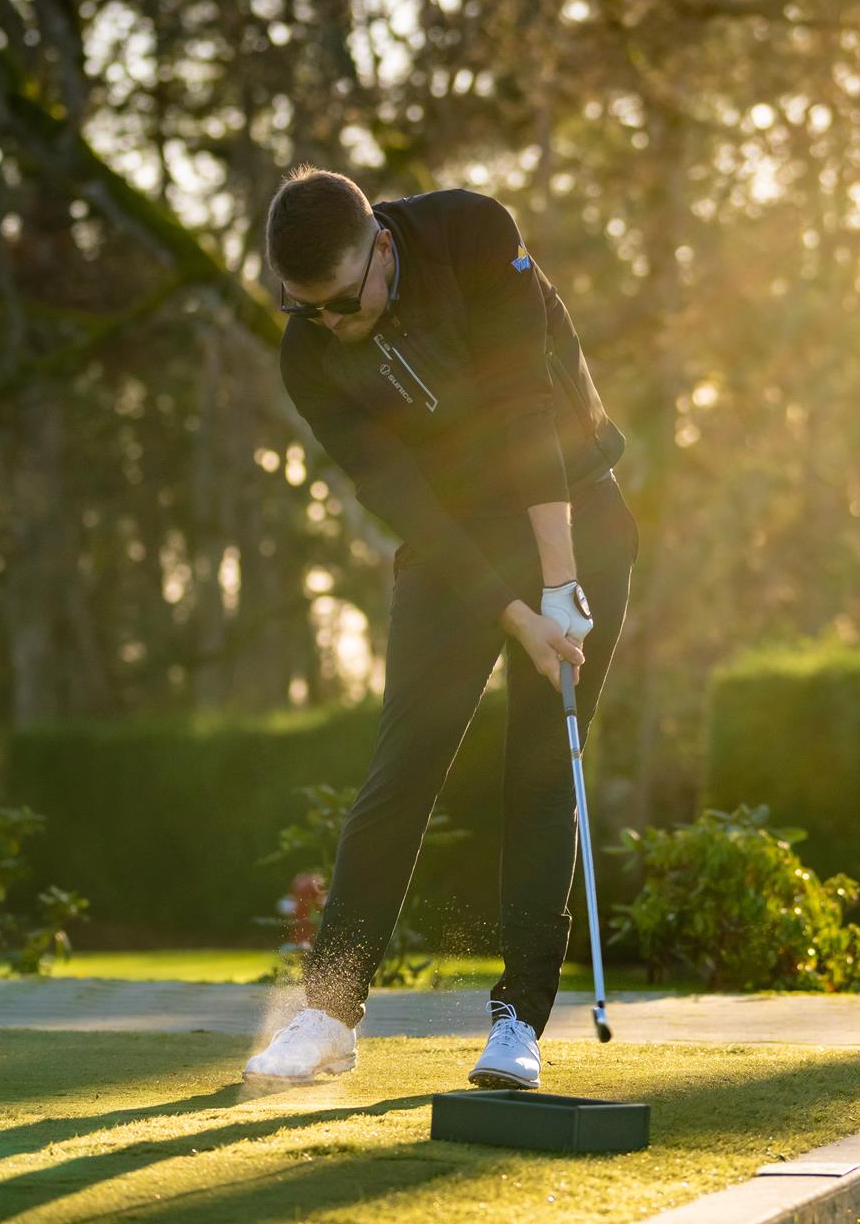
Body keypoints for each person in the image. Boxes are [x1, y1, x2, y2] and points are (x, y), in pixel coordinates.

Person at [242, 166, 640, 1089]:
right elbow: (398, 492)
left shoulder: (469, 233)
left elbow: (523, 407)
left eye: (343, 301)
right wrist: (510, 608)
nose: (333, 324)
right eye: (309, 310)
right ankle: (330, 1012)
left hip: (574, 514)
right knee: (402, 767)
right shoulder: (308, 351)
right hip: (453, 541)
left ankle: (517, 1024)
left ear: (381, 247)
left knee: (541, 771)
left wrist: (558, 584)